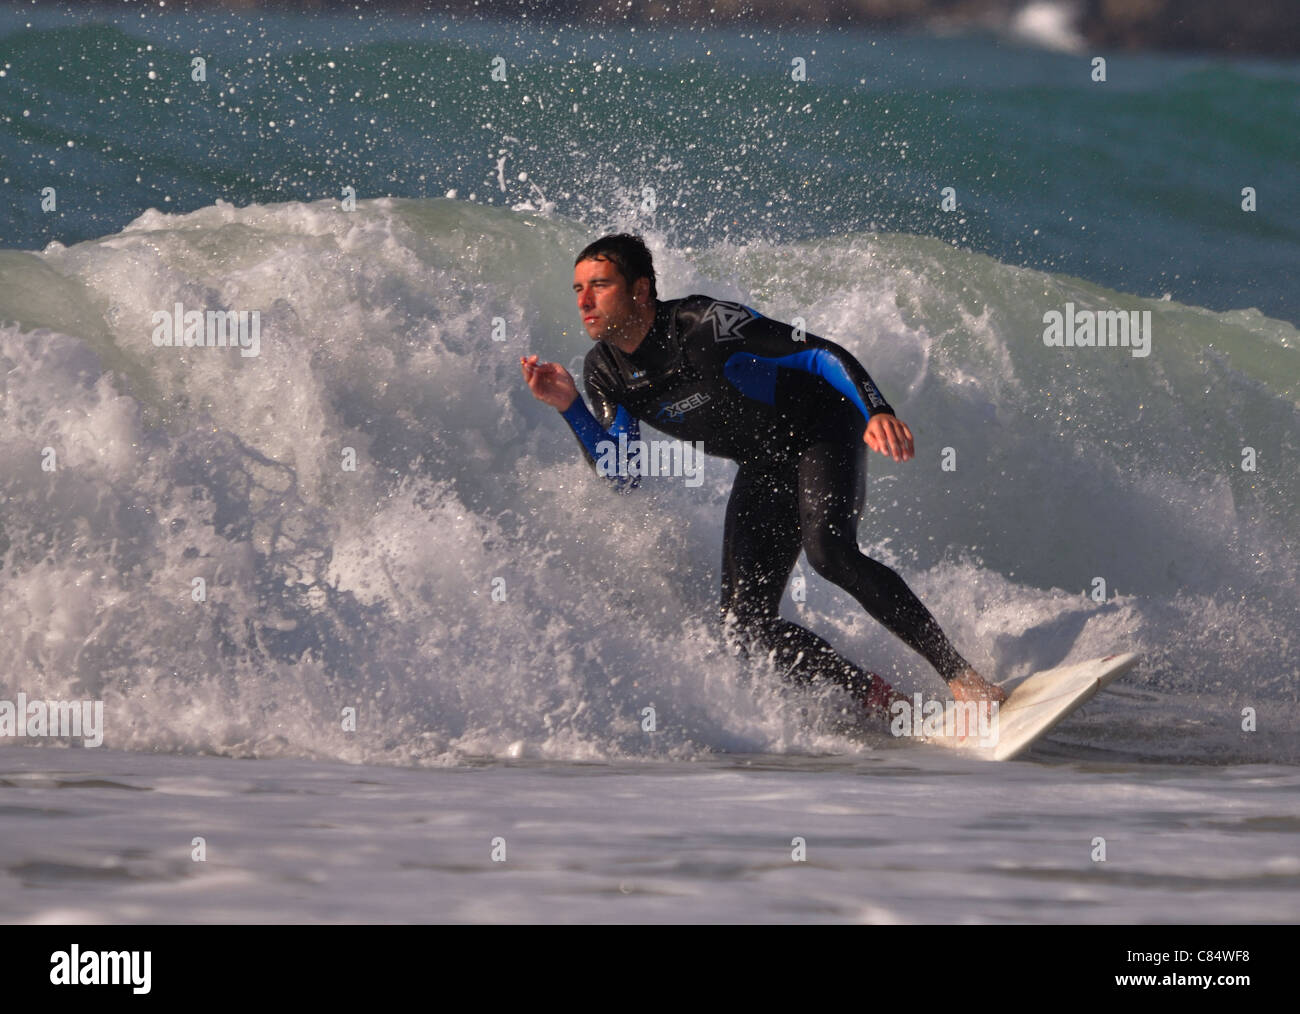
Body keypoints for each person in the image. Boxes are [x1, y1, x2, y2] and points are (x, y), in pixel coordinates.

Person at [521, 233, 1005, 723]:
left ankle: (966, 680)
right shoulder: (604, 372)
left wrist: (877, 410)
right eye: (578, 289)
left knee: (830, 554)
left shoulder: (705, 324)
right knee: (744, 626)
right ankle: (884, 702)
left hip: (821, 427)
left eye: (599, 285)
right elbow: (622, 473)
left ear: (641, 289)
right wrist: (570, 407)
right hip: (764, 462)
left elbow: (817, 353)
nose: (583, 300)